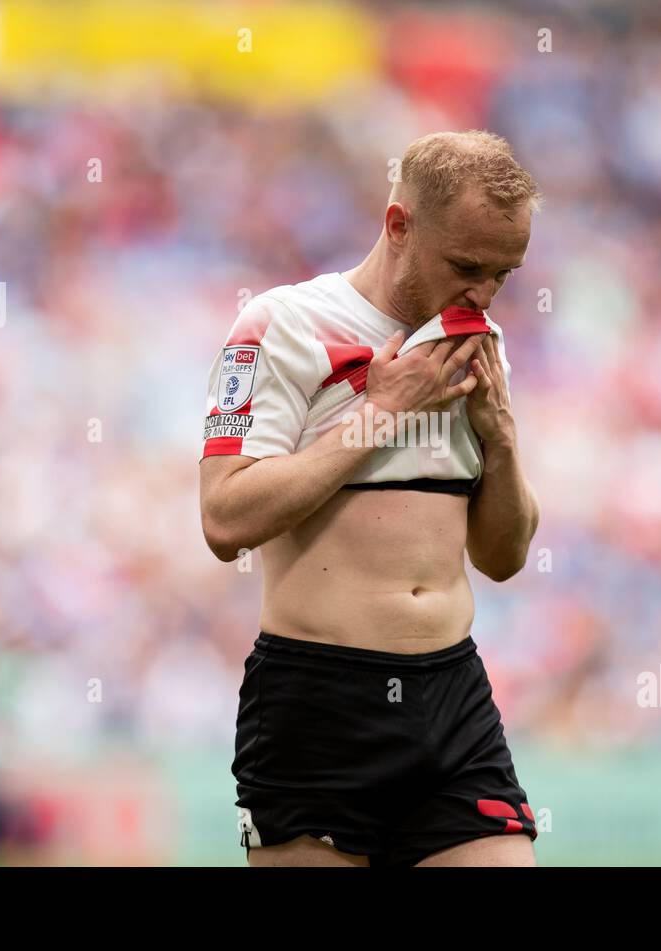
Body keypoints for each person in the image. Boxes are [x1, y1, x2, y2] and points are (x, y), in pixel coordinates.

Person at [199, 130, 542, 866]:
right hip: (318, 703)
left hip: (452, 694)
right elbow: (224, 519)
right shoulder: (280, 324)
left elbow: (503, 557)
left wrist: (502, 439)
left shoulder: (479, 342)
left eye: (503, 276)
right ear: (399, 226)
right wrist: (379, 415)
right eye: (466, 268)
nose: (481, 295)